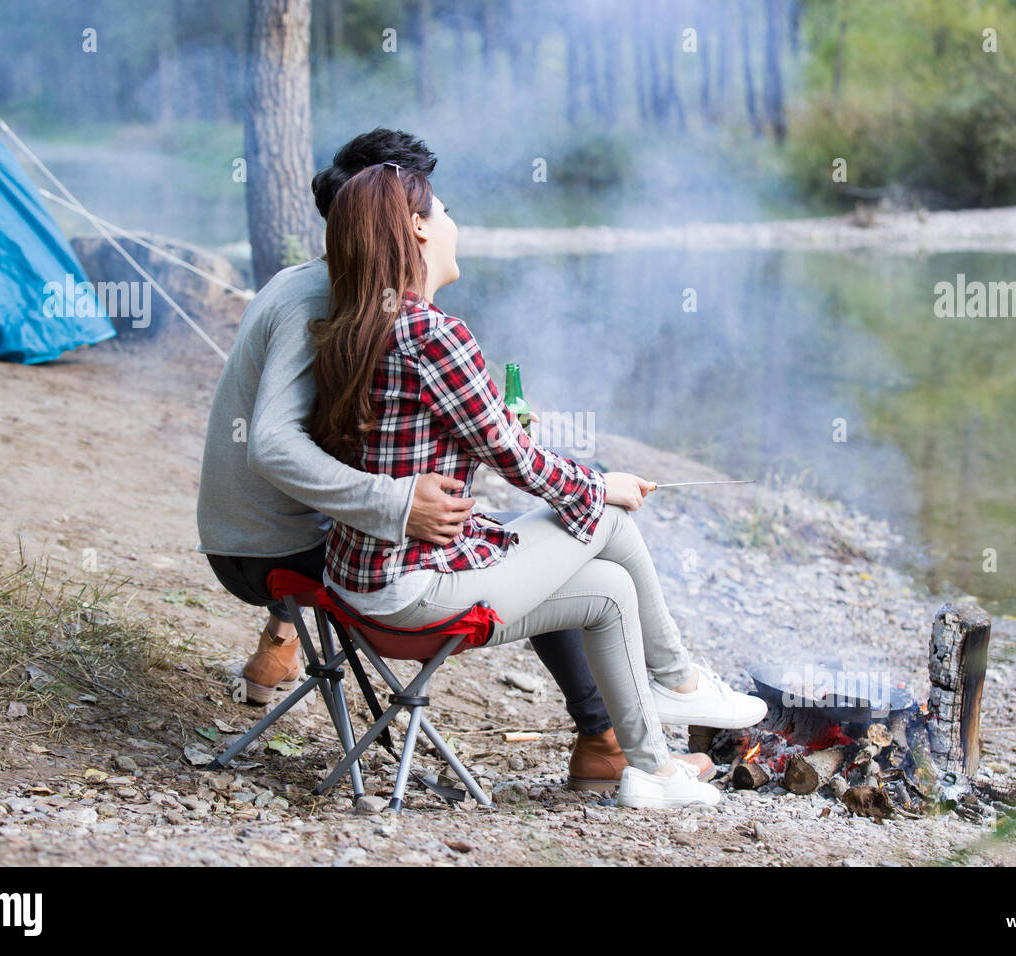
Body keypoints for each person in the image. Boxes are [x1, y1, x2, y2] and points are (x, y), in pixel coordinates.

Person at [197, 129, 675, 791]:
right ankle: (608, 733)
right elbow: (275, 446)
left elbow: (364, 429)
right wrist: (401, 502)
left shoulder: (344, 293)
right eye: (427, 205)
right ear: (396, 220)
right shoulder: (323, 299)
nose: (444, 218)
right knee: (545, 532)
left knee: (520, 513)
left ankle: (275, 645)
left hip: (290, 530)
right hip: (270, 545)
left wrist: (476, 434)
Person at [309, 162, 766, 809]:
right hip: (411, 588)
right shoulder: (432, 332)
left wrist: (506, 436)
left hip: (356, 580)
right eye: (443, 213)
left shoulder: (348, 329)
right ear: (416, 229)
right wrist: (602, 484)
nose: (452, 225)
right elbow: (514, 457)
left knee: (608, 591)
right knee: (607, 518)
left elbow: (419, 438)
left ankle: (650, 770)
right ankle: (677, 679)